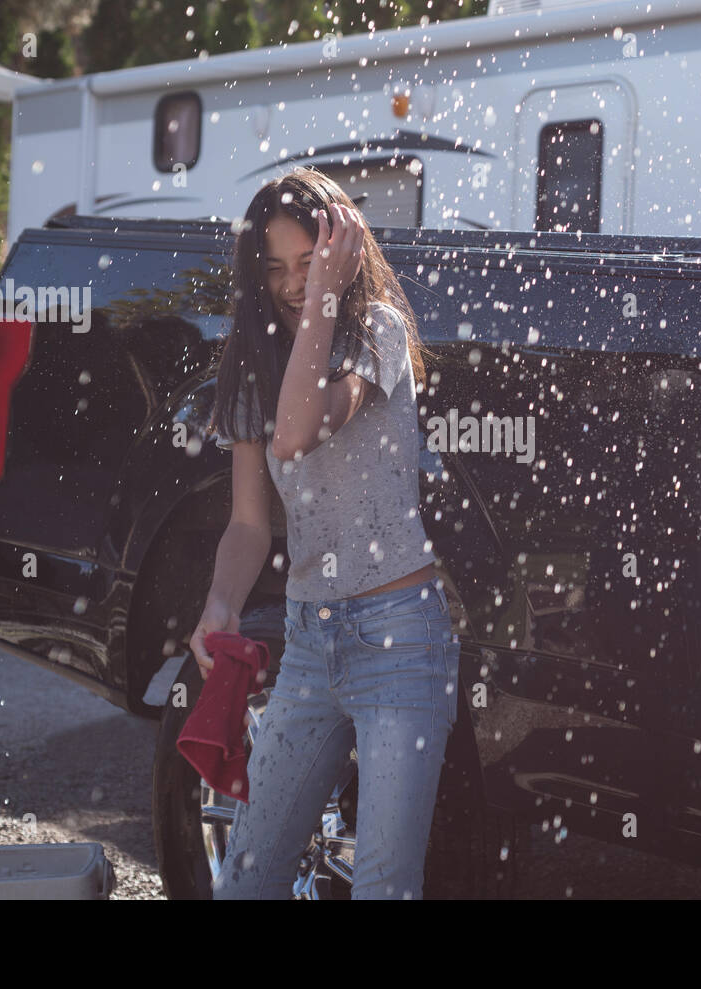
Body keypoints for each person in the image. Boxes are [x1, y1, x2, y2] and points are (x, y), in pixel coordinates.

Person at [196, 167, 459, 900]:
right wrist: (221, 602)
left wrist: (325, 297)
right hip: (310, 642)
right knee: (246, 878)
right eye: (275, 269)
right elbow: (248, 525)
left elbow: (295, 432)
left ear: (343, 252)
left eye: (309, 264)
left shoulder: (377, 330)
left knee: (381, 886)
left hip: (400, 642)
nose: (291, 285)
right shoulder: (255, 363)